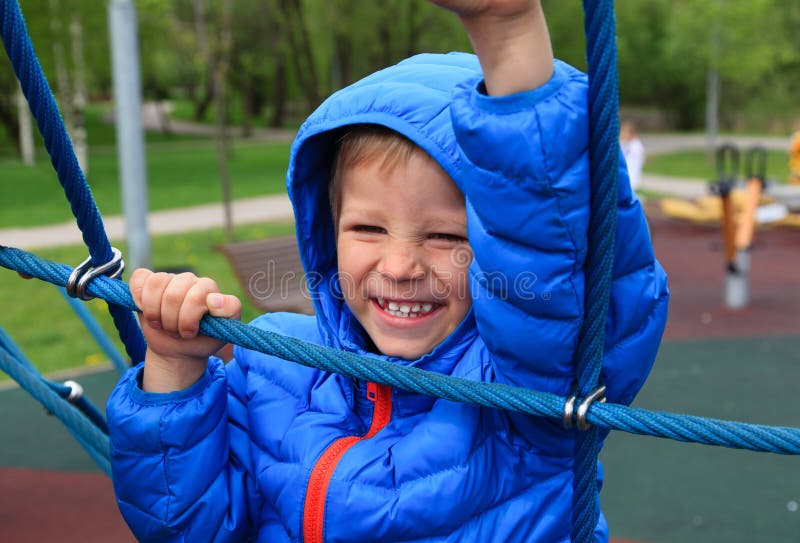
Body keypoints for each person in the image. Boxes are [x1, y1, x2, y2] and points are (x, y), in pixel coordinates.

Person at [107, 1, 669, 542]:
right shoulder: (272, 364)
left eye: (448, 237)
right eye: (368, 230)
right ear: (328, 234)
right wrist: (172, 370)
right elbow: (183, 527)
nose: (399, 266)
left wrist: (509, 29)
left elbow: (552, 244)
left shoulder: (523, 393)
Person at [620, 120, 646, 192]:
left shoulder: (637, 146)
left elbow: (634, 163)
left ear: (631, 133)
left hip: (632, 178)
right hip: (625, 178)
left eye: (624, 132)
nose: (622, 134)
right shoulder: (623, 144)